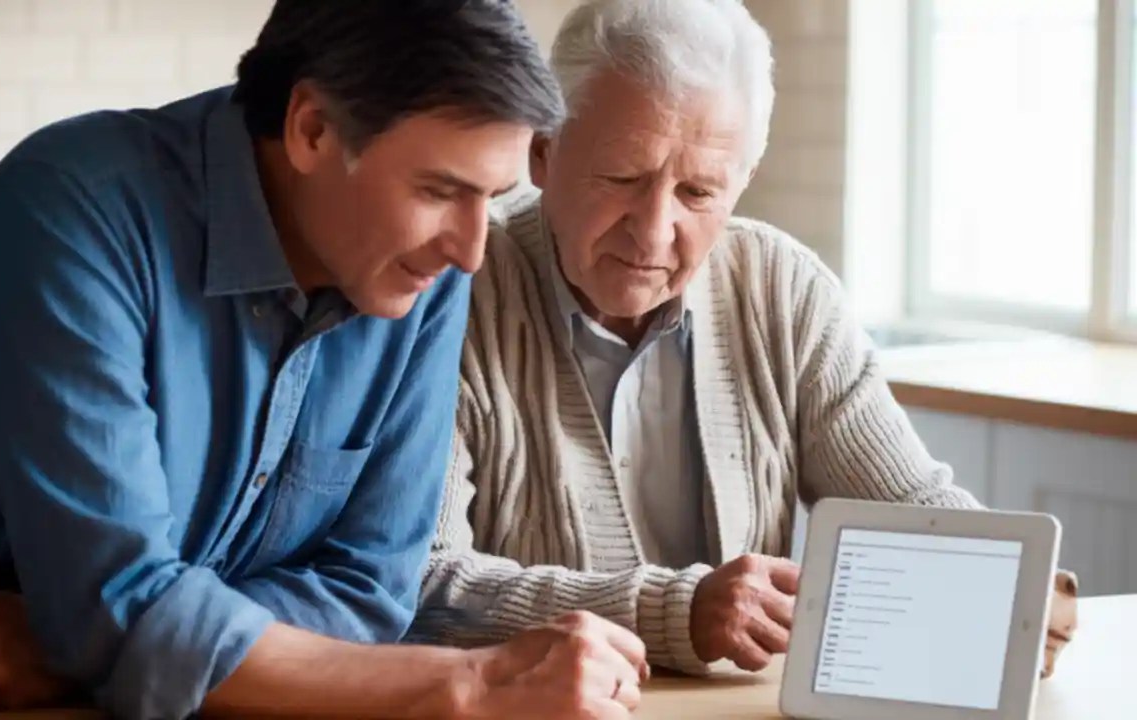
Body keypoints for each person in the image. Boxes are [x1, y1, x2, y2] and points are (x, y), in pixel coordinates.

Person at [0, 2, 651, 718]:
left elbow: (371, 591)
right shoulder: (69, 213)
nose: (473, 250)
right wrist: (475, 685)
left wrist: (100, 641)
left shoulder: (422, 275)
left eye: (491, 196)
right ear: (311, 129)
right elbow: (122, 612)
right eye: (441, 189)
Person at [410, 0, 1032, 677]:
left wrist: (1014, 584)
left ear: (742, 184)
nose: (653, 231)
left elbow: (911, 512)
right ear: (543, 153)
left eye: (699, 192)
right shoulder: (454, 288)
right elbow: (424, 581)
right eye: (621, 178)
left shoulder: (782, 290)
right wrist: (678, 612)